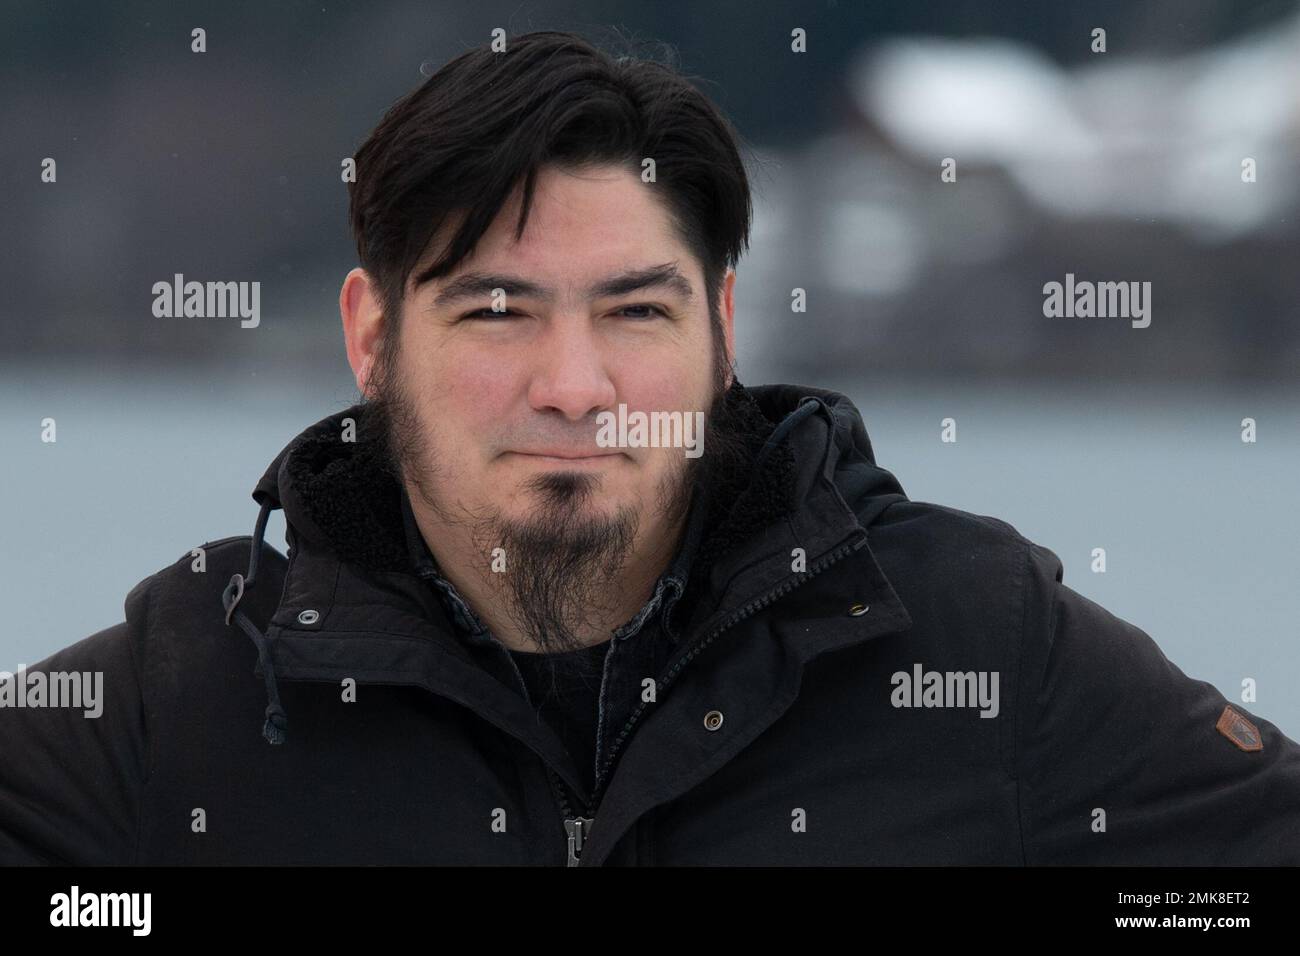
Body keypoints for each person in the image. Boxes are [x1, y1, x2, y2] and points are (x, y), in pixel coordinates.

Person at [3, 30, 1298, 866]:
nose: (575, 386)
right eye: (496, 309)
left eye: (635, 309)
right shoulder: (176, 710)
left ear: (722, 327)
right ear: (372, 335)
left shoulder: (973, 646)